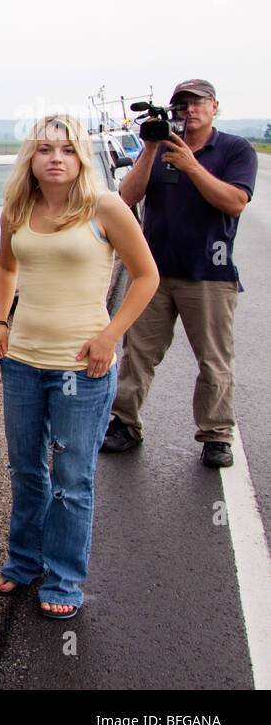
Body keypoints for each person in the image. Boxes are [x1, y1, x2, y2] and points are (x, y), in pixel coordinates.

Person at [0, 115, 158, 619]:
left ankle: (63, 578)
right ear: (31, 159)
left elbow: (147, 276)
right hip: (21, 363)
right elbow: (7, 266)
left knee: (72, 479)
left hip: (84, 368)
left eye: (66, 149)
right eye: (44, 149)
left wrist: (110, 335)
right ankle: (23, 561)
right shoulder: (17, 207)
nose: (55, 157)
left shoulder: (105, 207)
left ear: (81, 157)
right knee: (26, 470)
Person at [100, 79, 258, 467]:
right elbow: (128, 197)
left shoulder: (235, 150)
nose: (188, 112)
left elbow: (235, 202)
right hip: (153, 273)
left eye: (196, 104)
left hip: (209, 272)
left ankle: (217, 435)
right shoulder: (155, 150)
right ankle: (125, 423)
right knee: (138, 354)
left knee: (213, 359)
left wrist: (190, 164)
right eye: (180, 106)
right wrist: (152, 148)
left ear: (214, 106)